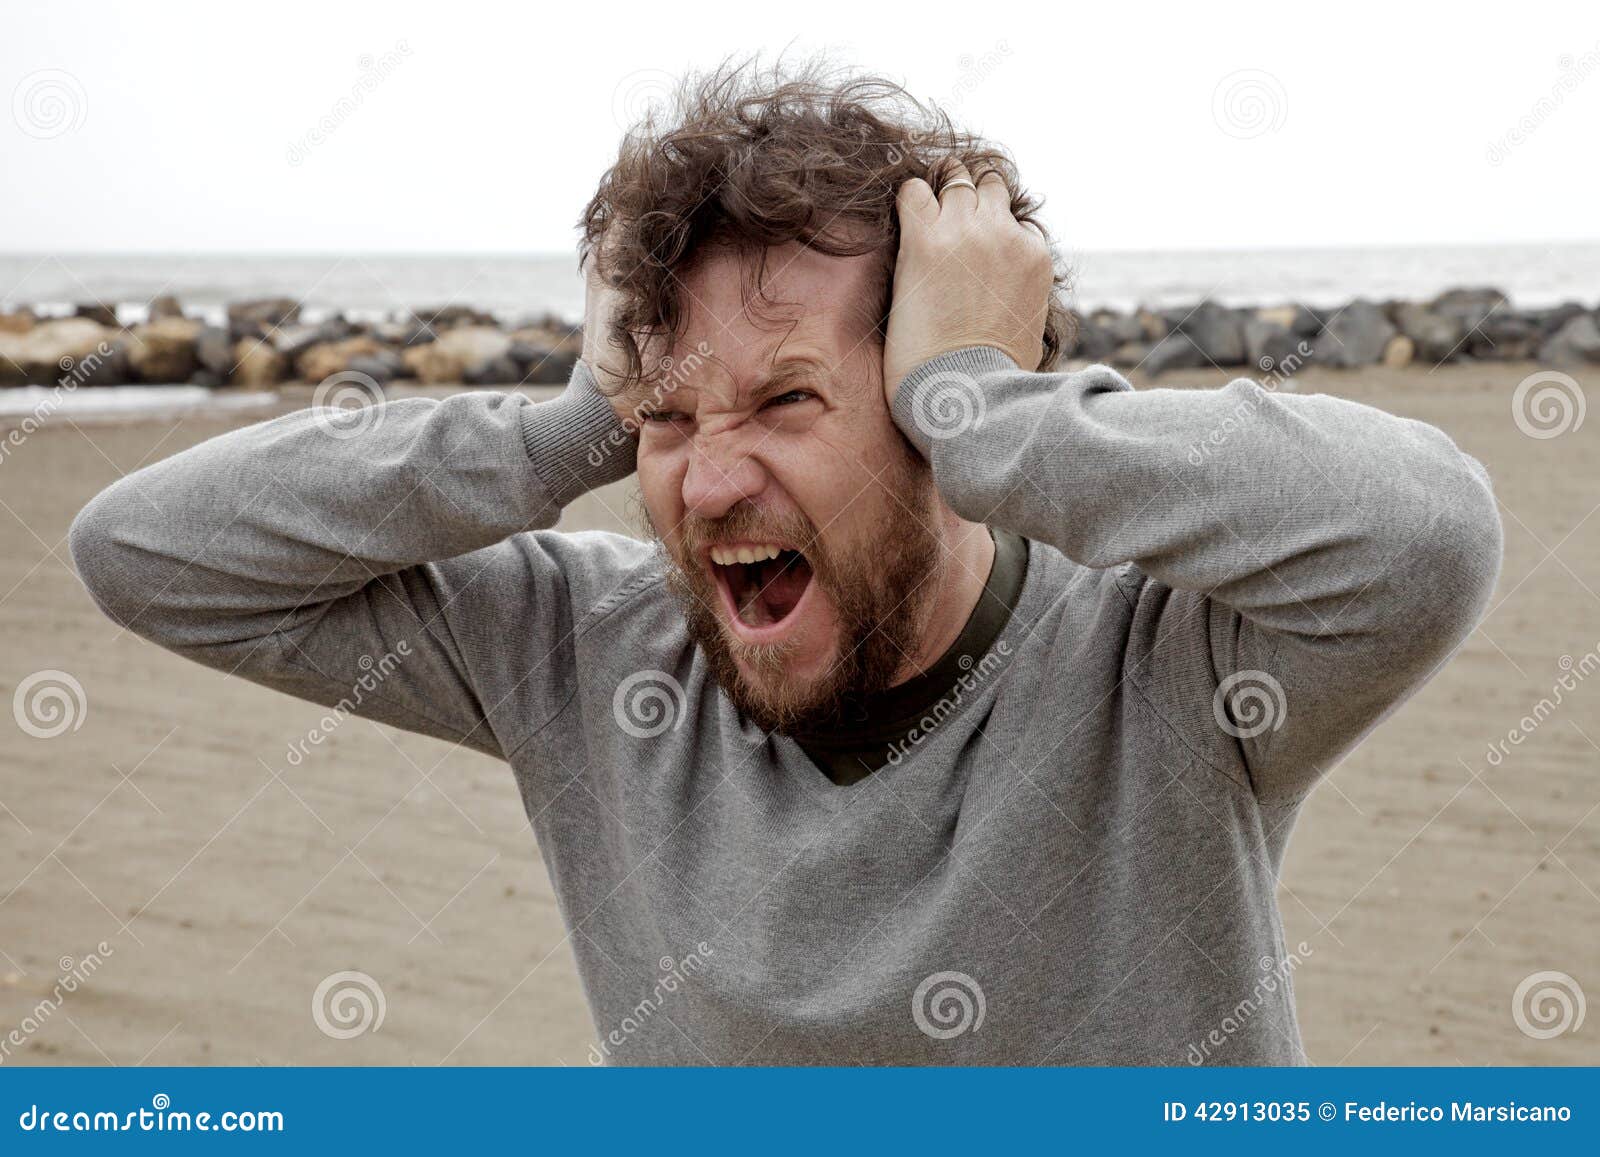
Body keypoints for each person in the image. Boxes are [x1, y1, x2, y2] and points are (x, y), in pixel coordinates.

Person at [70, 63, 1502, 1064]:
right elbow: (146, 552)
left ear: (938, 405)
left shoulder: (1168, 663)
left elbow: (1426, 532)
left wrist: (991, 409)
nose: (705, 478)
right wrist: (562, 428)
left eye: (788, 400)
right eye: (671, 416)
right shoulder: (586, 654)